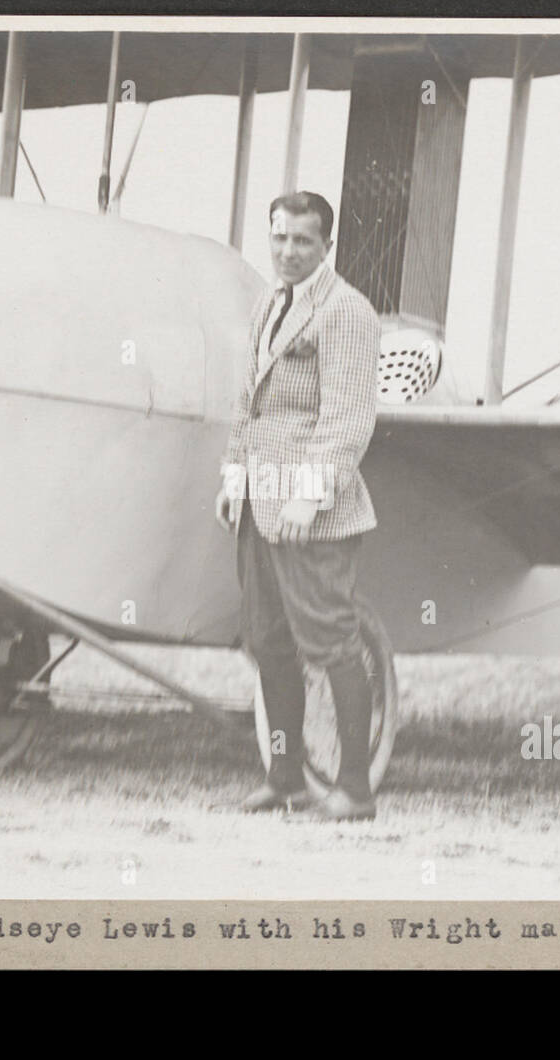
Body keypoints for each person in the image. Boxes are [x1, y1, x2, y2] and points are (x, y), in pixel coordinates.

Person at [214, 190, 382, 822]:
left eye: (303, 241)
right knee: (267, 639)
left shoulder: (347, 313)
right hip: (260, 501)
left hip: (313, 512)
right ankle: (284, 778)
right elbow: (247, 405)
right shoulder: (268, 305)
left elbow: (346, 421)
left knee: (331, 643)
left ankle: (355, 790)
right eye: (279, 238)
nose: (288, 252)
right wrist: (236, 481)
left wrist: (307, 499)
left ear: (327, 246)